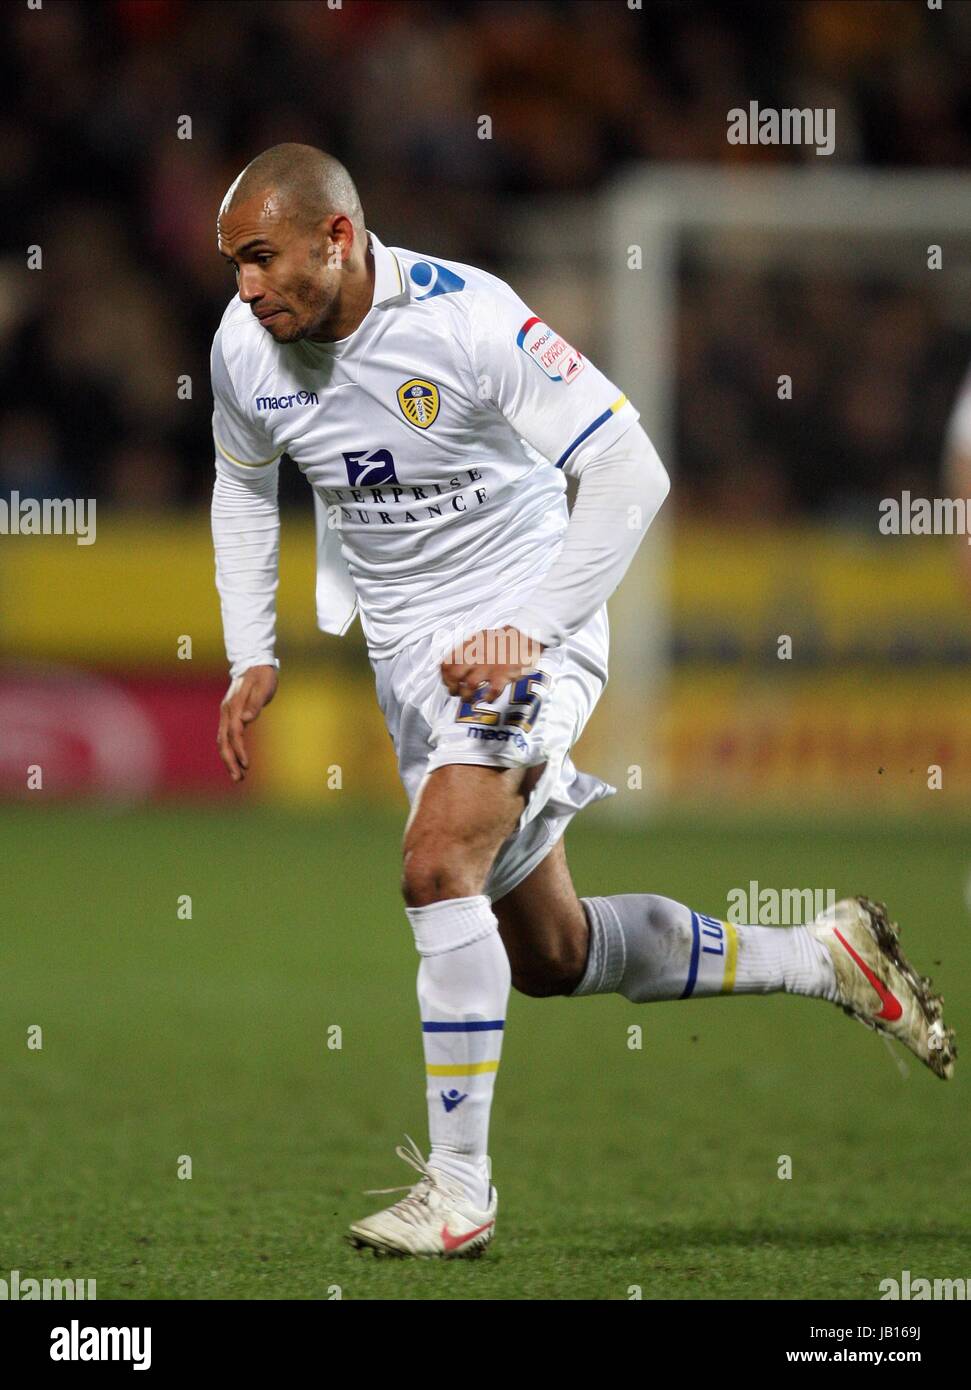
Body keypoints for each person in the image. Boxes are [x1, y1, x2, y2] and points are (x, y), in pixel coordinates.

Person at [211, 144, 955, 1260]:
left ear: (339, 237)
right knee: (549, 956)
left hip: (528, 622)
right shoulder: (240, 351)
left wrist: (534, 630)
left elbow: (629, 471)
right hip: (412, 662)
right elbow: (238, 480)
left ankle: (458, 1194)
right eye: (232, 266)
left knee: (433, 866)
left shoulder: (469, 321)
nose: (246, 288)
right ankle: (823, 956)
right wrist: (247, 650)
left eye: (262, 259)